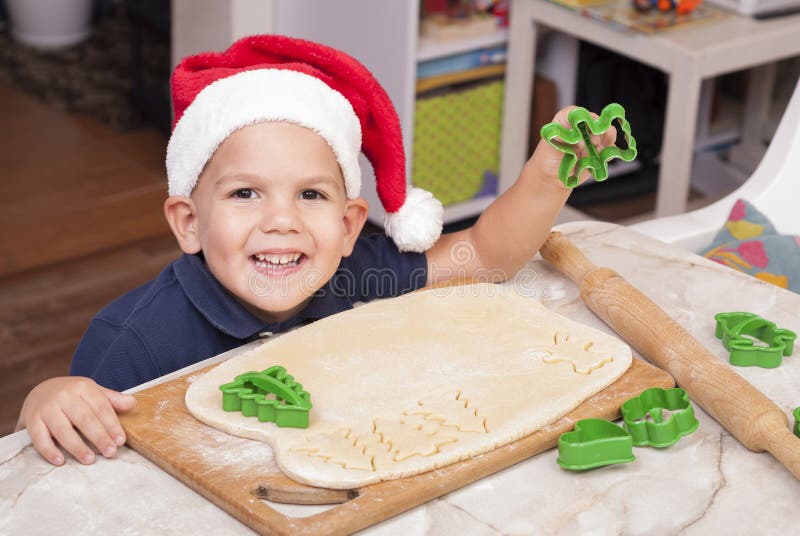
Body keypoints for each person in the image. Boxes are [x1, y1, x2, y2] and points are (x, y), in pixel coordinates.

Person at [16, 35, 616, 466]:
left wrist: (548, 179)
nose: (282, 221)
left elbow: (484, 258)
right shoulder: (136, 340)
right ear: (189, 223)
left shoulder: (359, 275)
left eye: (310, 195)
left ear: (350, 225)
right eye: (245, 193)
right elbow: (53, 448)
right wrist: (46, 401)